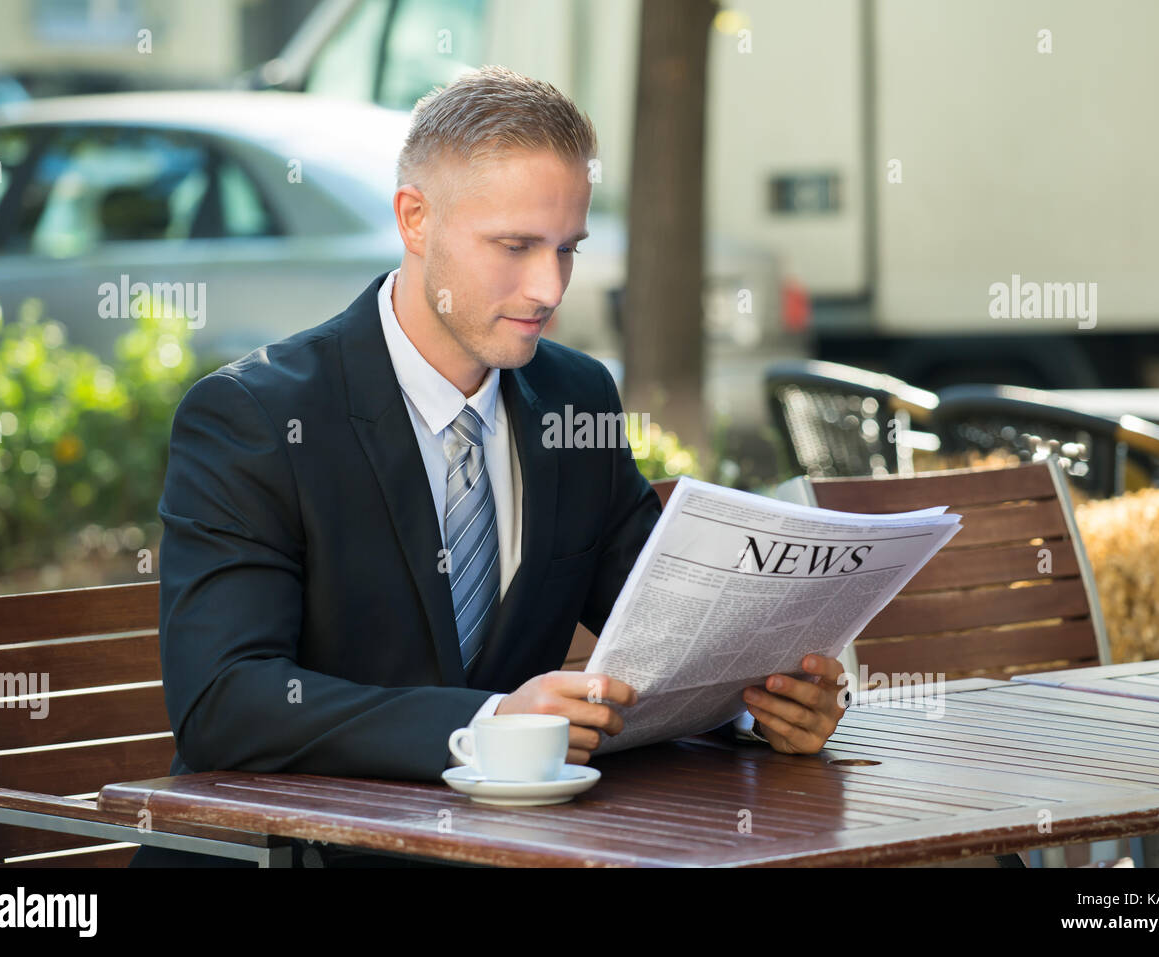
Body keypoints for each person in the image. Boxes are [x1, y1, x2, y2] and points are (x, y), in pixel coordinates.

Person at [131, 66, 846, 867]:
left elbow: (664, 631)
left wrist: (766, 704)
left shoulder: (576, 395)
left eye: (566, 249)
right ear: (415, 219)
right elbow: (224, 702)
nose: (548, 287)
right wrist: (487, 722)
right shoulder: (254, 418)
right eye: (515, 246)